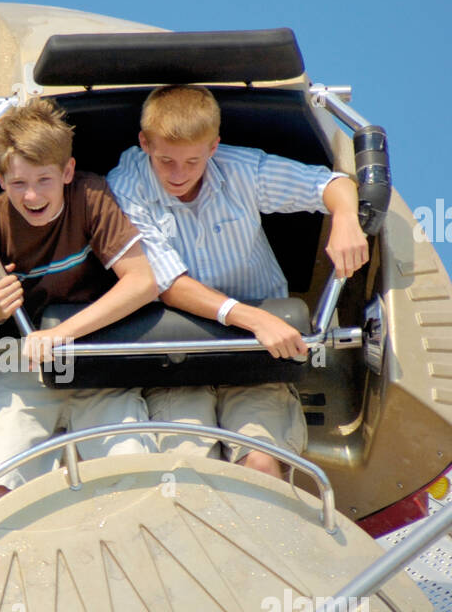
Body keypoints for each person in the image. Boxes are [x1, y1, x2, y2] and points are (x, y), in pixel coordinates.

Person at [107, 84, 369, 478]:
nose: (178, 175)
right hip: (179, 356)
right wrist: (255, 319)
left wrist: (346, 220)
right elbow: (165, 282)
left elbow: (331, 185)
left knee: (261, 463)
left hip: (258, 356)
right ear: (144, 144)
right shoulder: (127, 183)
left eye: (193, 161)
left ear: (213, 148)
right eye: (166, 161)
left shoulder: (242, 169)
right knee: (187, 468)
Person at [0, 97, 159, 517]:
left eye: (44, 180)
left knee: (131, 476)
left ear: (67, 172)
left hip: (95, 359)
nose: (32, 195)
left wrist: (60, 334)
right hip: (22, 368)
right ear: (0, 179)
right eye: (18, 183)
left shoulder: (90, 196)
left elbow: (143, 281)